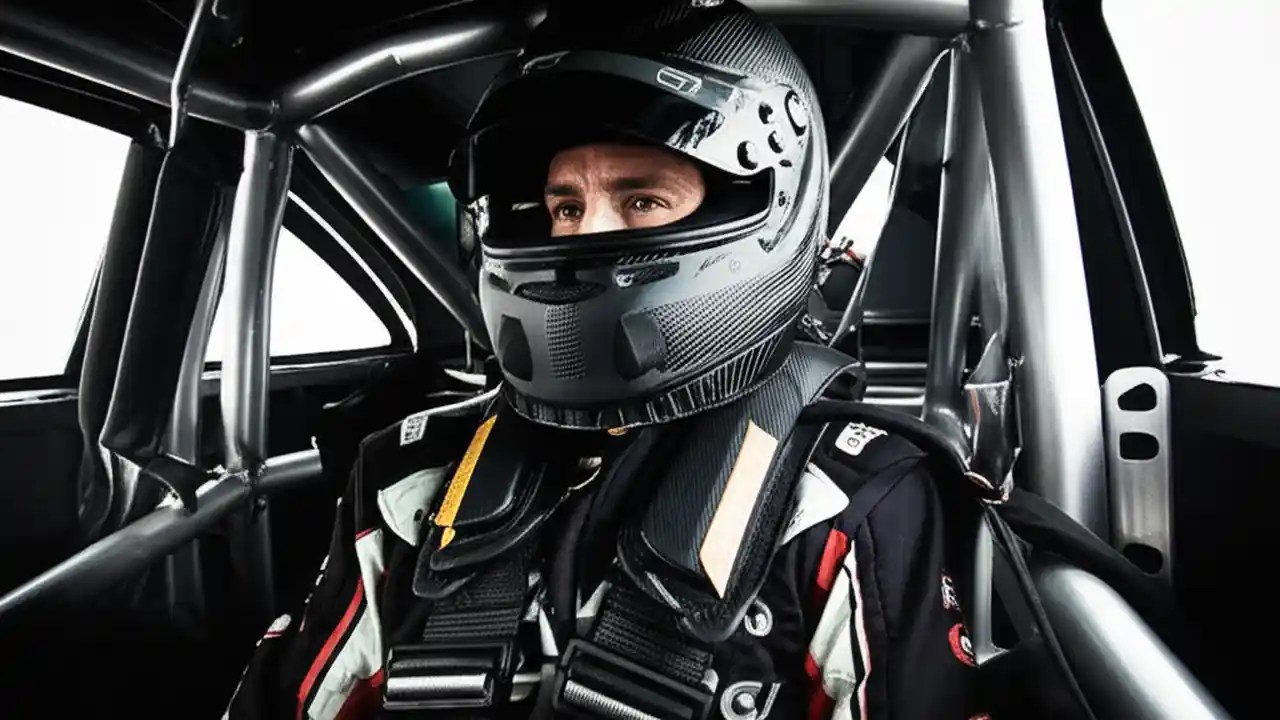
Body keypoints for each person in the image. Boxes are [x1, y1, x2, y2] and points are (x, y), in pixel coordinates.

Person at [223, 2, 984, 718]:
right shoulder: (406, 477)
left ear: (753, 209)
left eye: (642, 200)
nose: (584, 238)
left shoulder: (850, 503)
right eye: (565, 206)